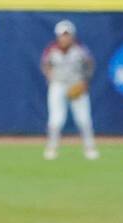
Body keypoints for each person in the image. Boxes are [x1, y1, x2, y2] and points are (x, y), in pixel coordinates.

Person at [41, 20, 98, 161]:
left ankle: (90, 148)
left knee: (84, 120)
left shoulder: (80, 50)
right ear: (58, 36)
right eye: (62, 35)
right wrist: (49, 76)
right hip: (58, 85)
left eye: (67, 35)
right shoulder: (51, 50)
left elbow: (90, 64)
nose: (65, 38)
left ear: (72, 36)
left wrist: (85, 81)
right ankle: (51, 148)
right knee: (56, 120)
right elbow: (45, 64)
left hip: (76, 85)